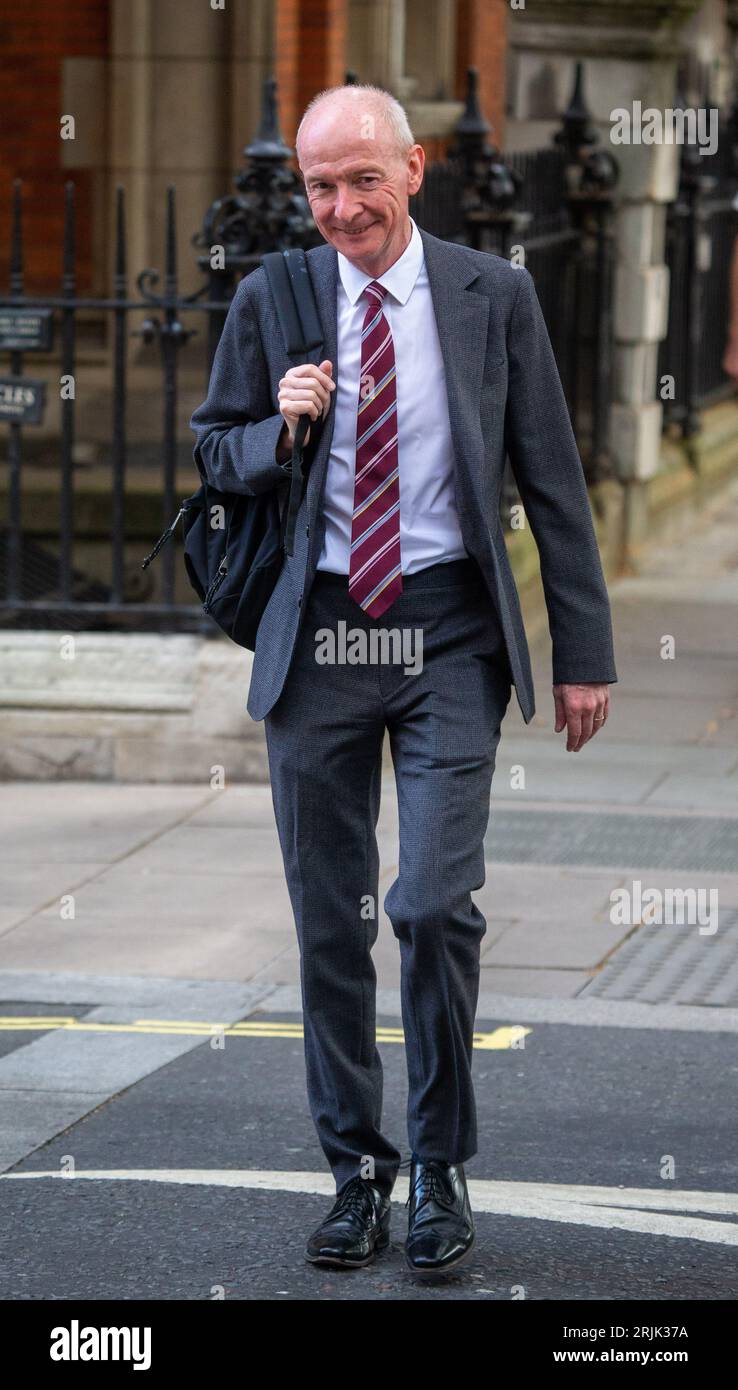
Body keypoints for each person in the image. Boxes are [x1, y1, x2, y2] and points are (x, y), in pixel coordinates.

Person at [189, 84, 617, 1278]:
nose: (339, 207)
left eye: (361, 179)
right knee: (332, 923)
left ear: (415, 170)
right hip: (320, 639)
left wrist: (583, 656)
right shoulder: (275, 294)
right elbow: (211, 446)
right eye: (320, 186)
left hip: (444, 638)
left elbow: (554, 478)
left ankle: (438, 1164)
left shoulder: (495, 295)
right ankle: (356, 1172)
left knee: (429, 903)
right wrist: (273, 429)